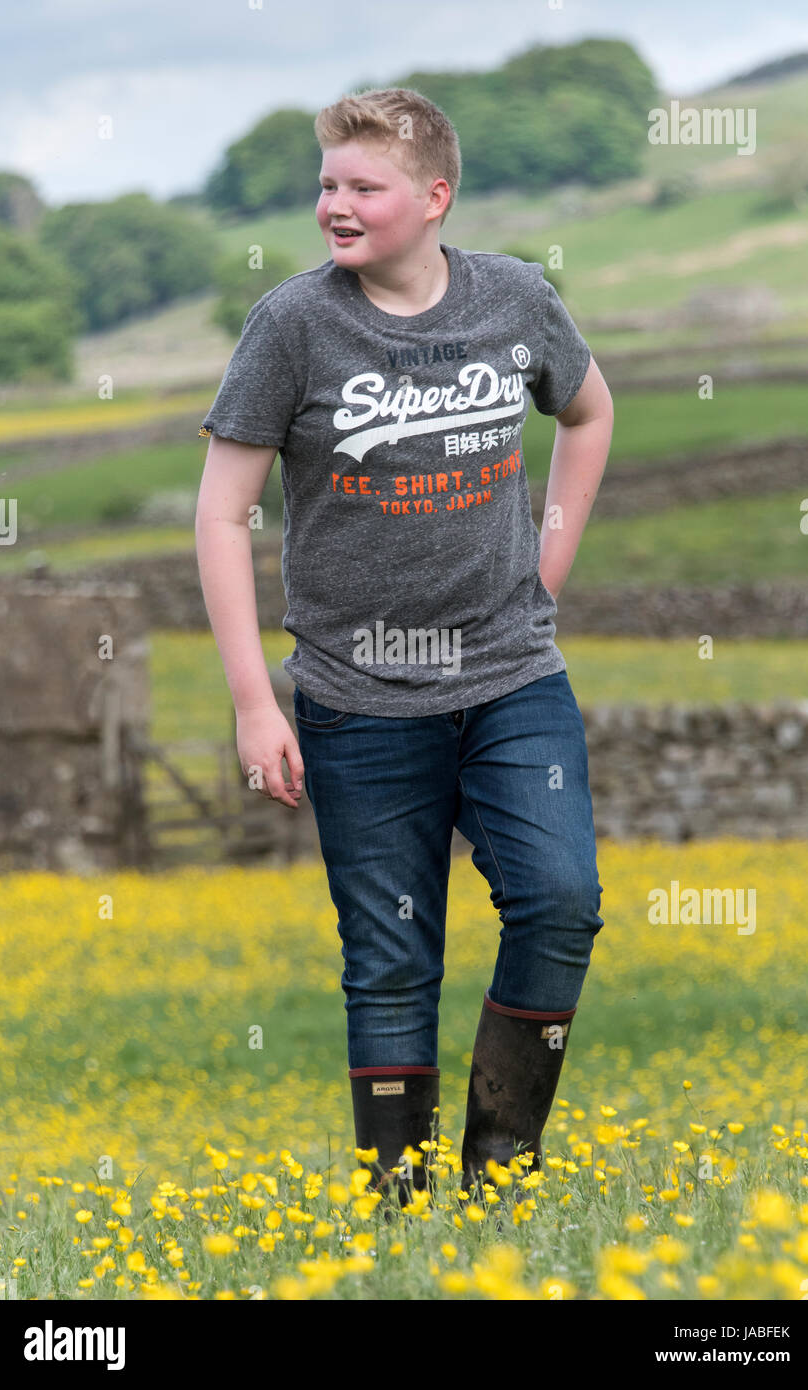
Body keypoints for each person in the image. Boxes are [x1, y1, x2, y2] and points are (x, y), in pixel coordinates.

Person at [195, 86, 614, 1212]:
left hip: (512, 672)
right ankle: (397, 1212)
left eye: (361, 186)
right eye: (326, 183)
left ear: (434, 197)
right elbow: (219, 511)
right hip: (356, 696)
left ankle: (497, 1174)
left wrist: (546, 567)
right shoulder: (292, 326)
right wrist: (251, 699)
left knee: (561, 900)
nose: (335, 203)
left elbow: (586, 412)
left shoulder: (515, 298)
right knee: (389, 959)